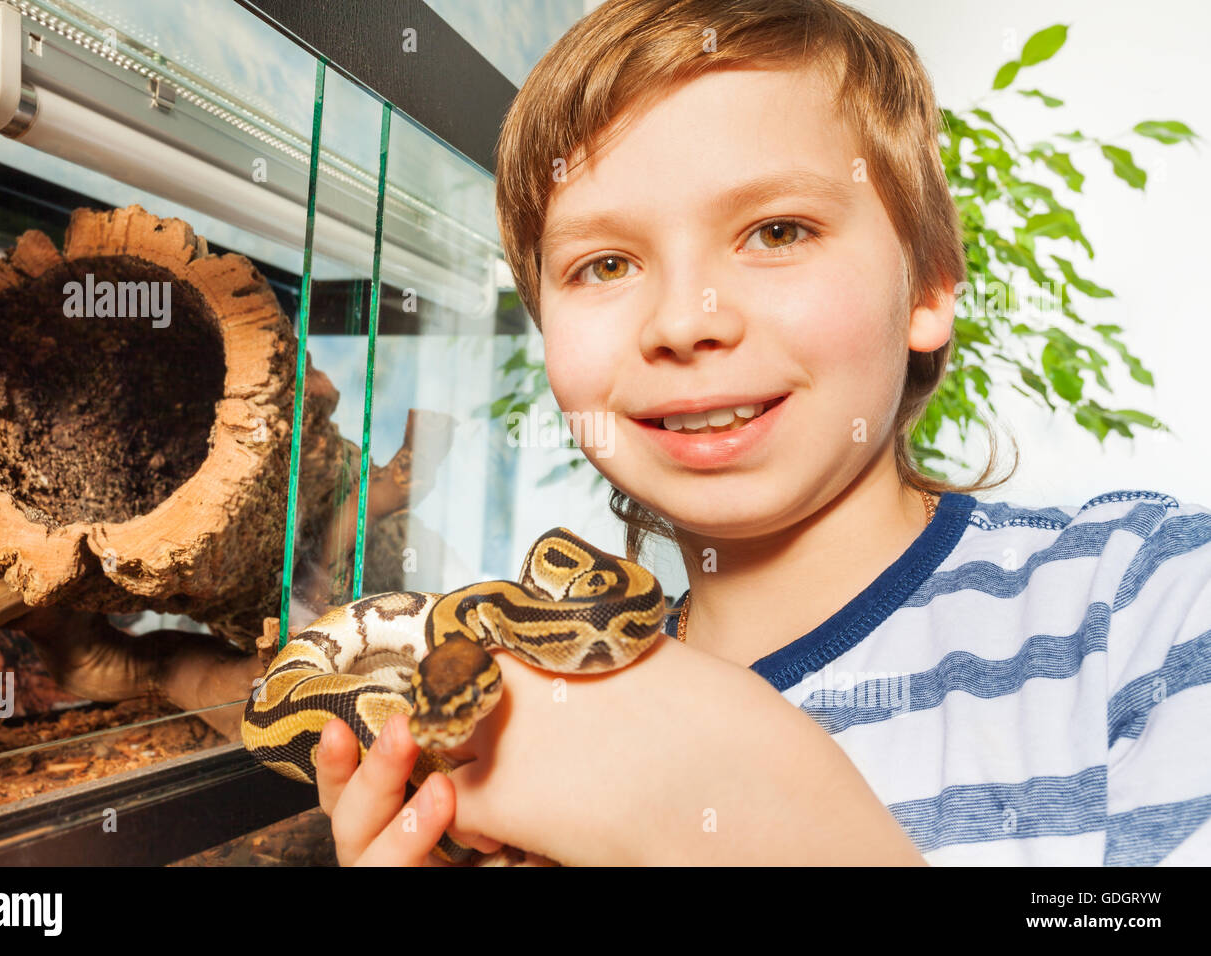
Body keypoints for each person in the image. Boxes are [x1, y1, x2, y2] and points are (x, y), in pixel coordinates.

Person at [313, 0, 1211, 865]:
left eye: (778, 230)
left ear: (931, 286)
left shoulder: (1152, 599)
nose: (684, 320)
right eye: (607, 263)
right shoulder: (528, 706)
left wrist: (775, 817)